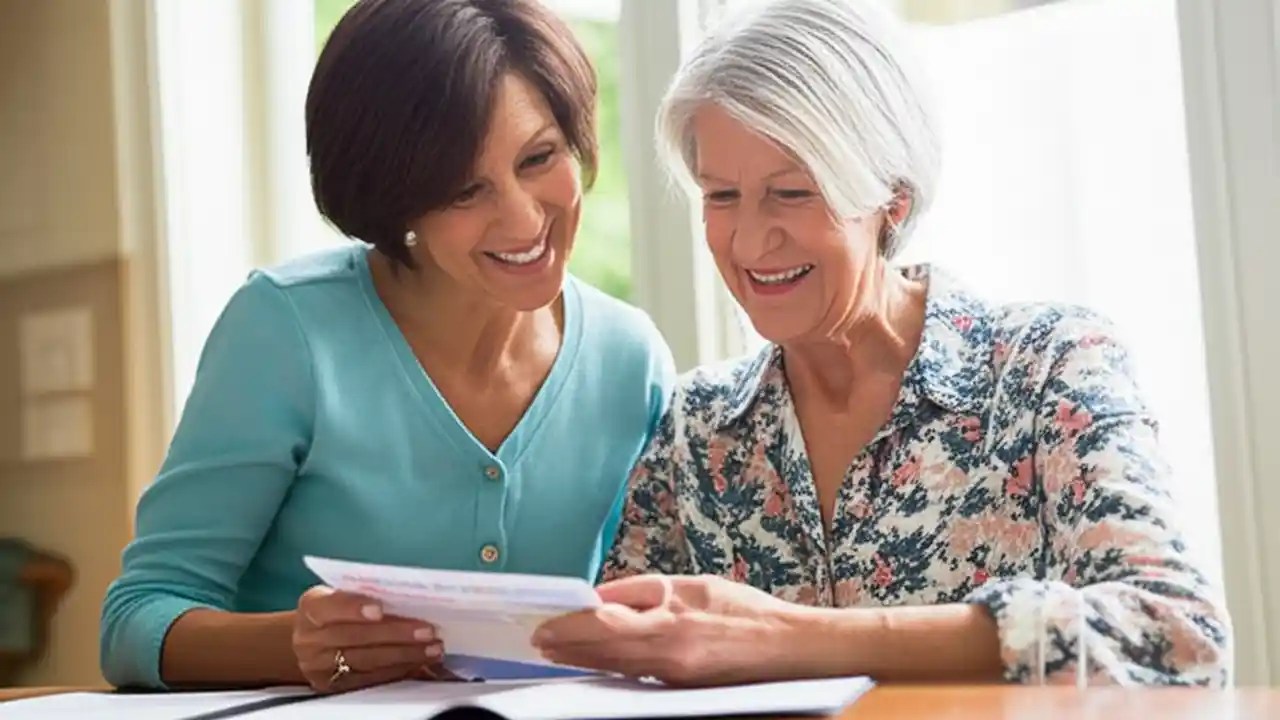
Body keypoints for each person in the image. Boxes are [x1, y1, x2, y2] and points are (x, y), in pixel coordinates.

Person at [531, 0, 1231, 687]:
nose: (748, 241)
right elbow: (602, 661)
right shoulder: (699, 430)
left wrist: (787, 639)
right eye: (721, 196)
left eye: (792, 193)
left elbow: (1177, 636)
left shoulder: (1049, 369)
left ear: (891, 198)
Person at [100, 0, 674, 693]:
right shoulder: (285, 332)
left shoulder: (630, 360)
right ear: (395, 197)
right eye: (466, 190)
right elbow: (135, 621)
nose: (524, 217)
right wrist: (298, 647)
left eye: (539, 157)